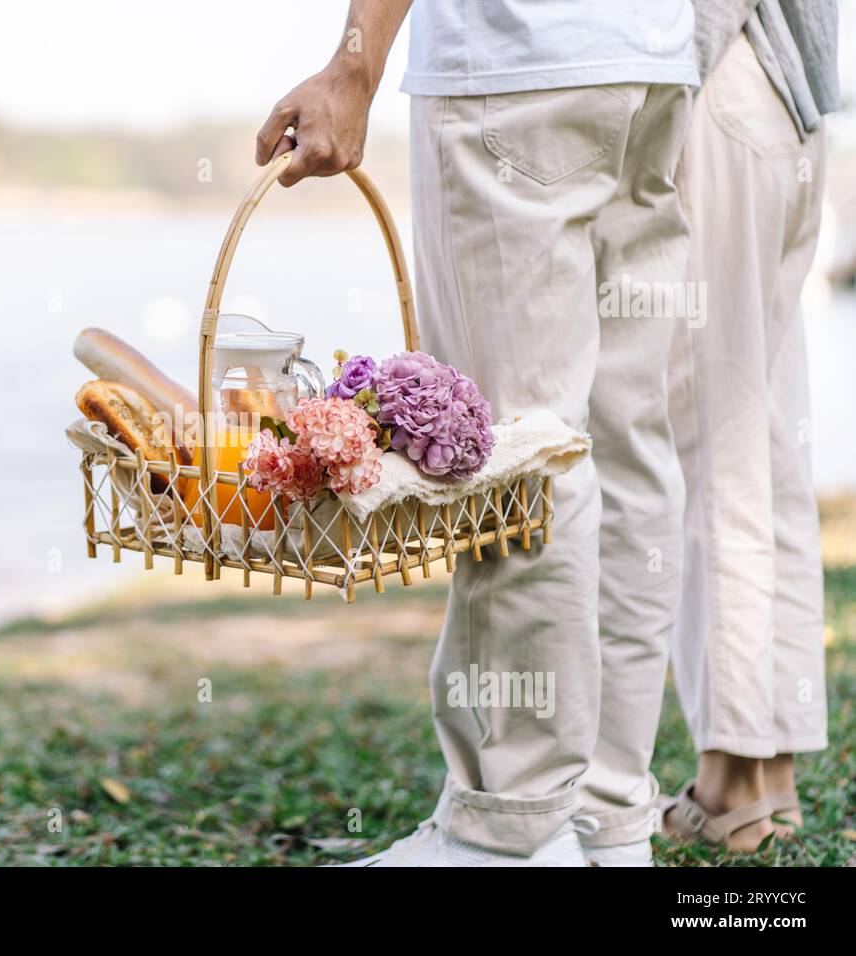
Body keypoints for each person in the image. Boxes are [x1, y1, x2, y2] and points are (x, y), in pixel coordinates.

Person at [257, 0, 700, 865]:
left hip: (517, 66)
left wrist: (354, 63)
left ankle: (512, 831)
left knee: (519, 456)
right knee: (624, 444)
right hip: (648, 63)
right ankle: (605, 820)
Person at [663, 0, 838, 851]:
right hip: (795, 100)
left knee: (714, 445)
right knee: (765, 445)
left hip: (721, 81)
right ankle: (773, 770)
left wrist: (662, 84)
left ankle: (730, 779)